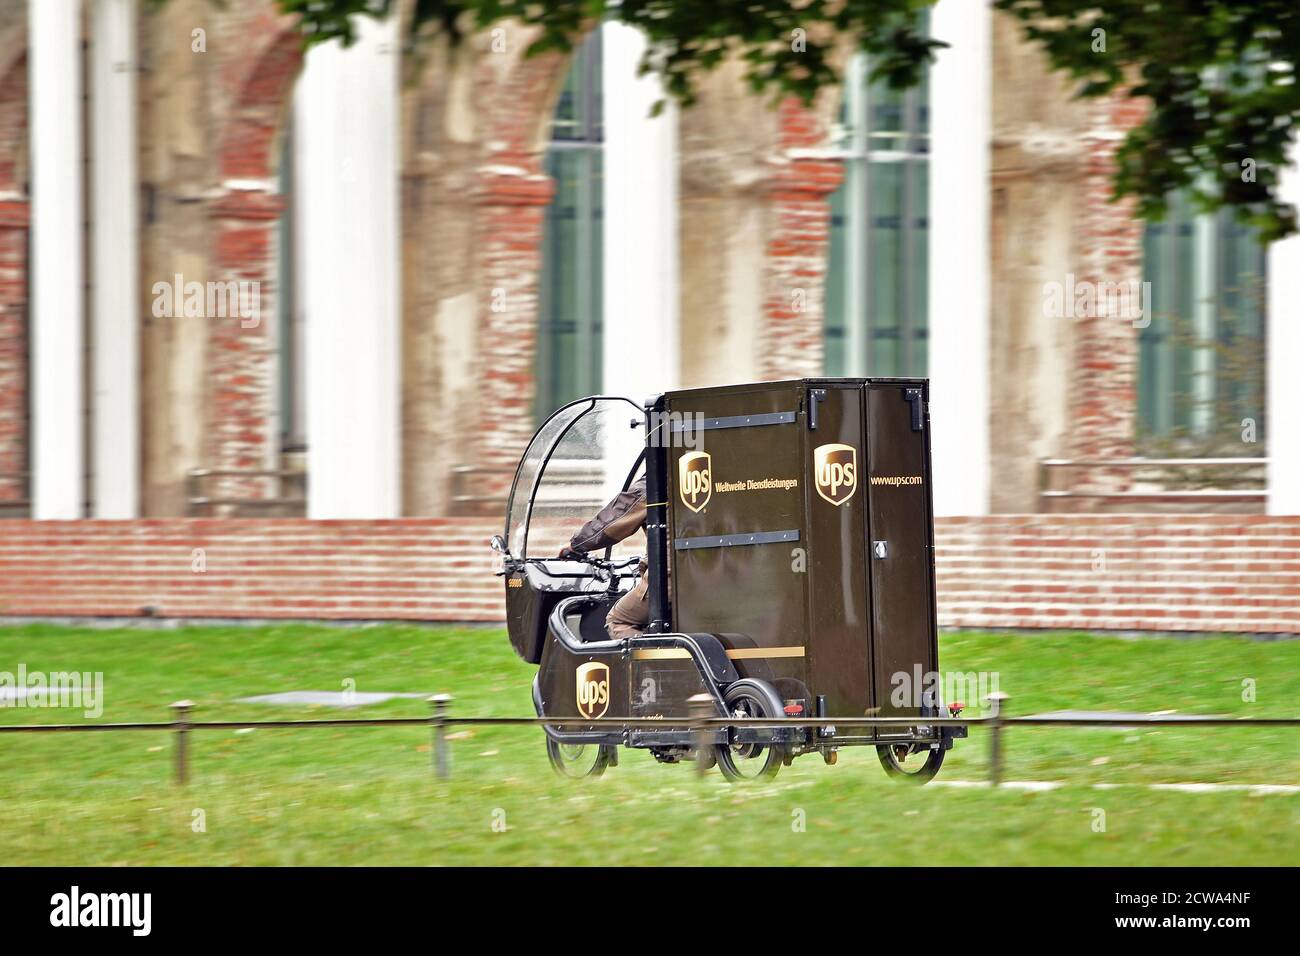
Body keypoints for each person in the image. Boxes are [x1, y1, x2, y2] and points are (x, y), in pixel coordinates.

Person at [559, 476, 649, 640]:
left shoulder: (659, 474)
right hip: (705, 578)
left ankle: (661, 663)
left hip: (670, 578)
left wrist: (576, 545)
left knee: (618, 620)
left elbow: (618, 517)